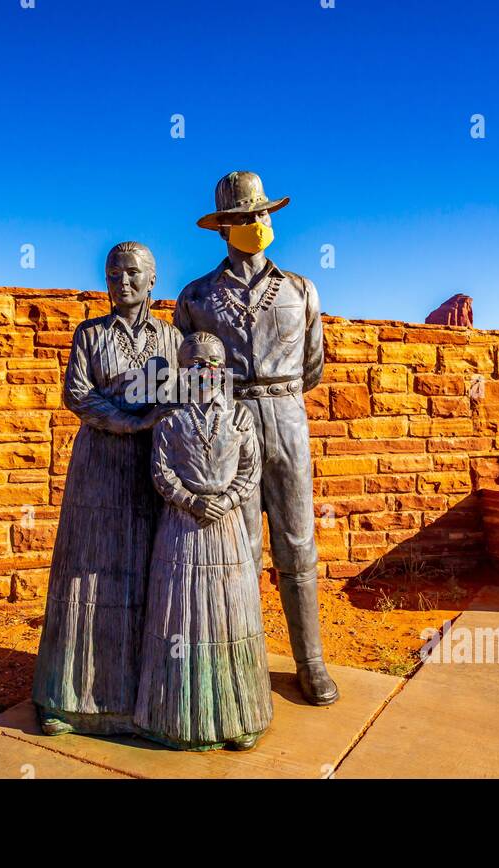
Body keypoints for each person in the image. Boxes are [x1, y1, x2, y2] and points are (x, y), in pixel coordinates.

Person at [174, 171, 339, 705]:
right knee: (237, 547)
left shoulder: (300, 289)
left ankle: (309, 662)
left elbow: (312, 366)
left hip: (287, 415)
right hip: (229, 420)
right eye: (246, 217)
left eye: (263, 214)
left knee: (298, 542)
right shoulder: (197, 296)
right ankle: (243, 662)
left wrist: (279, 396)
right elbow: (183, 368)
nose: (258, 223)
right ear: (224, 227)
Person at [31, 241, 183, 736]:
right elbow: (78, 392)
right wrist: (128, 422)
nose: (122, 281)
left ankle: (141, 697)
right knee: (86, 574)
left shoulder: (170, 337)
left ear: (152, 280)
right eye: (113, 272)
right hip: (99, 464)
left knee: (143, 571)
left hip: (151, 466)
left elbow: (183, 393)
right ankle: (69, 698)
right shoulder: (89, 334)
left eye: (133, 273)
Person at [134, 332, 272, 751]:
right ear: (182, 371)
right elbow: (161, 472)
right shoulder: (170, 421)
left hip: (226, 529)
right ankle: (176, 719)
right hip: (181, 530)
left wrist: (226, 500)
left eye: (213, 363)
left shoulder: (240, 418)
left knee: (231, 613)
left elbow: (251, 470)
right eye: (194, 363)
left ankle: (240, 714)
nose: (205, 371)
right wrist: (190, 501)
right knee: (181, 613)